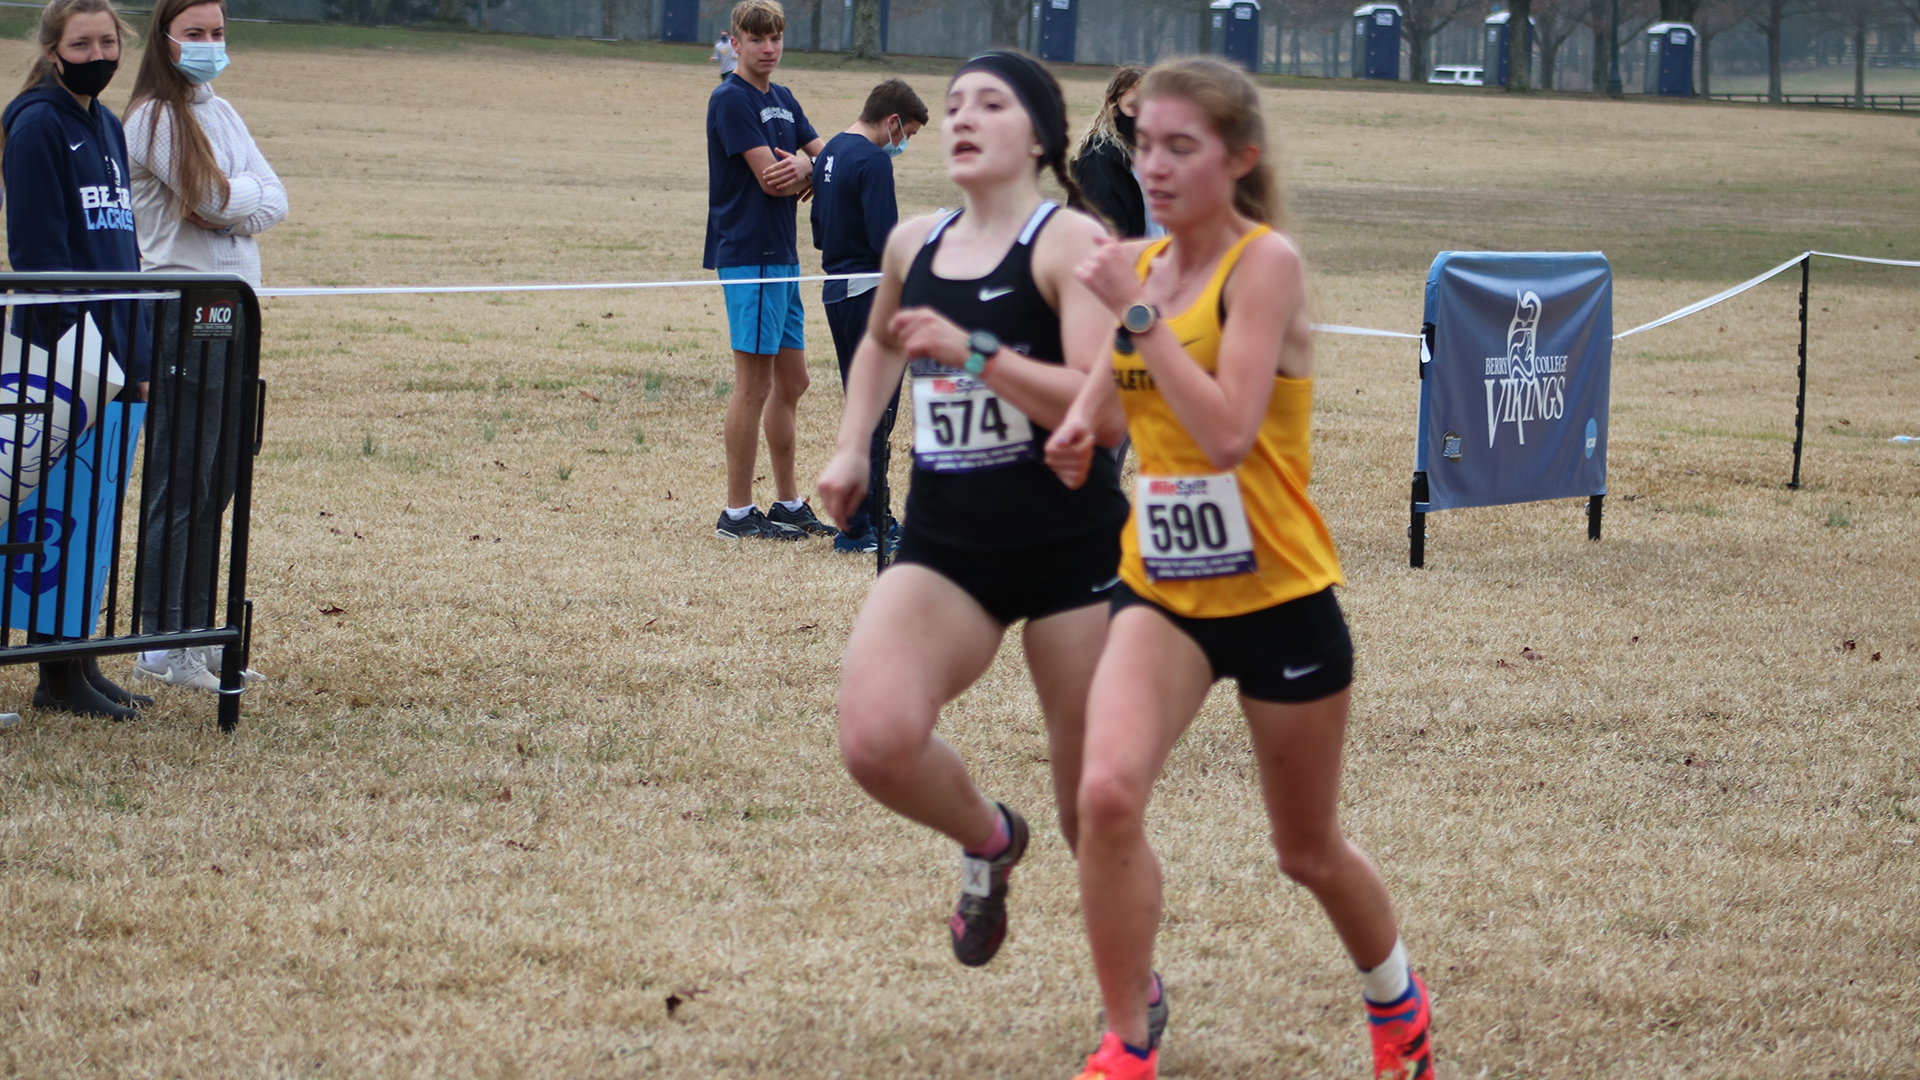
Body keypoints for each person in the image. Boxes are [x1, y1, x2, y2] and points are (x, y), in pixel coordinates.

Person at [1045, 59, 1433, 1080]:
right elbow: (1117, 389)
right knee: (1107, 797)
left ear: (1240, 158)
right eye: (1144, 145)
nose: (1155, 166)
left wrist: (1134, 312)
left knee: (1304, 851)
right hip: (1163, 593)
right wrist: (1082, 424)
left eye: (1182, 147)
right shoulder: (1142, 262)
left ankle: (1396, 1004)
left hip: (1280, 597)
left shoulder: (1266, 267)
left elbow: (1223, 432)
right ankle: (1129, 1037)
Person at [816, 50, 1165, 1038]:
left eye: (991, 104)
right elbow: (887, 338)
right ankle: (987, 840)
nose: (963, 117)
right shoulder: (914, 241)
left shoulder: (1072, 246)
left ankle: (1128, 1000)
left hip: (1072, 554)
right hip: (947, 546)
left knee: (1093, 810)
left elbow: (1105, 410)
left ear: (1042, 136)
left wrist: (978, 353)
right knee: (876, 739)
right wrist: (850, 448)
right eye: (955, 102)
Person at [122, 0, 281, 692]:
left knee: (219, 478)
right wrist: (228, 203)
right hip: (182, 309)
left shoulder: (222, 112)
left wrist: (228, 200)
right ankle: (162, 639)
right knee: (181, 476)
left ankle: (200, 627)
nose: (210, 44)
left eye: (217, 32)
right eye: (195, 34)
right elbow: (211, 203)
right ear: (165, 39)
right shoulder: (154, 118)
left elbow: (271, 199)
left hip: (234, 307)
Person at [0, 0, 151, 720]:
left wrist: (138, 349)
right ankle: (54, 675)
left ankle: (81, 662)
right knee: (61, 513)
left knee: (94, 517)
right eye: (83, 41)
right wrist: (82, 352)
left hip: (117, 355)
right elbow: (38, 254)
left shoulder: (109, 125)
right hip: (66, 361)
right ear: (54, 49)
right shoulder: (35, 126)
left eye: (109, 40)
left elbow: (121, 242)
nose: (99, 52)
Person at [704, 0, 831, 541]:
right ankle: (736, 514)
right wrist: (803, 169)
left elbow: (826, 161)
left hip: (784, 256)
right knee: (753, 384)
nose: (768, 48)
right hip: (749, 255)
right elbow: (771, 179)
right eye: (756, 39)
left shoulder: (783, 98)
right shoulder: (729, 99)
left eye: (775, 37)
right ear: (734, 42)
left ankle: (788, 502)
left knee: (793, 380)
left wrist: (808, 165)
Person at [808, 77, 926, 555]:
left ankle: (876, 514)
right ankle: (858, 526)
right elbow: (886, 239)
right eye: (908, 136)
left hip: (836, 291)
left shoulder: (831, 151)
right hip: (872, 293)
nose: (903, 146)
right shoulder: (874, 159)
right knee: (879, 408)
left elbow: (819, 233)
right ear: (893, 121)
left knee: (863, 403)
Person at [1069, 66, 1158, 241]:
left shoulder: (1151, 158)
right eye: (1133, 107)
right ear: (1114, 108)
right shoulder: (1099, 162)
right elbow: (1102, 237)